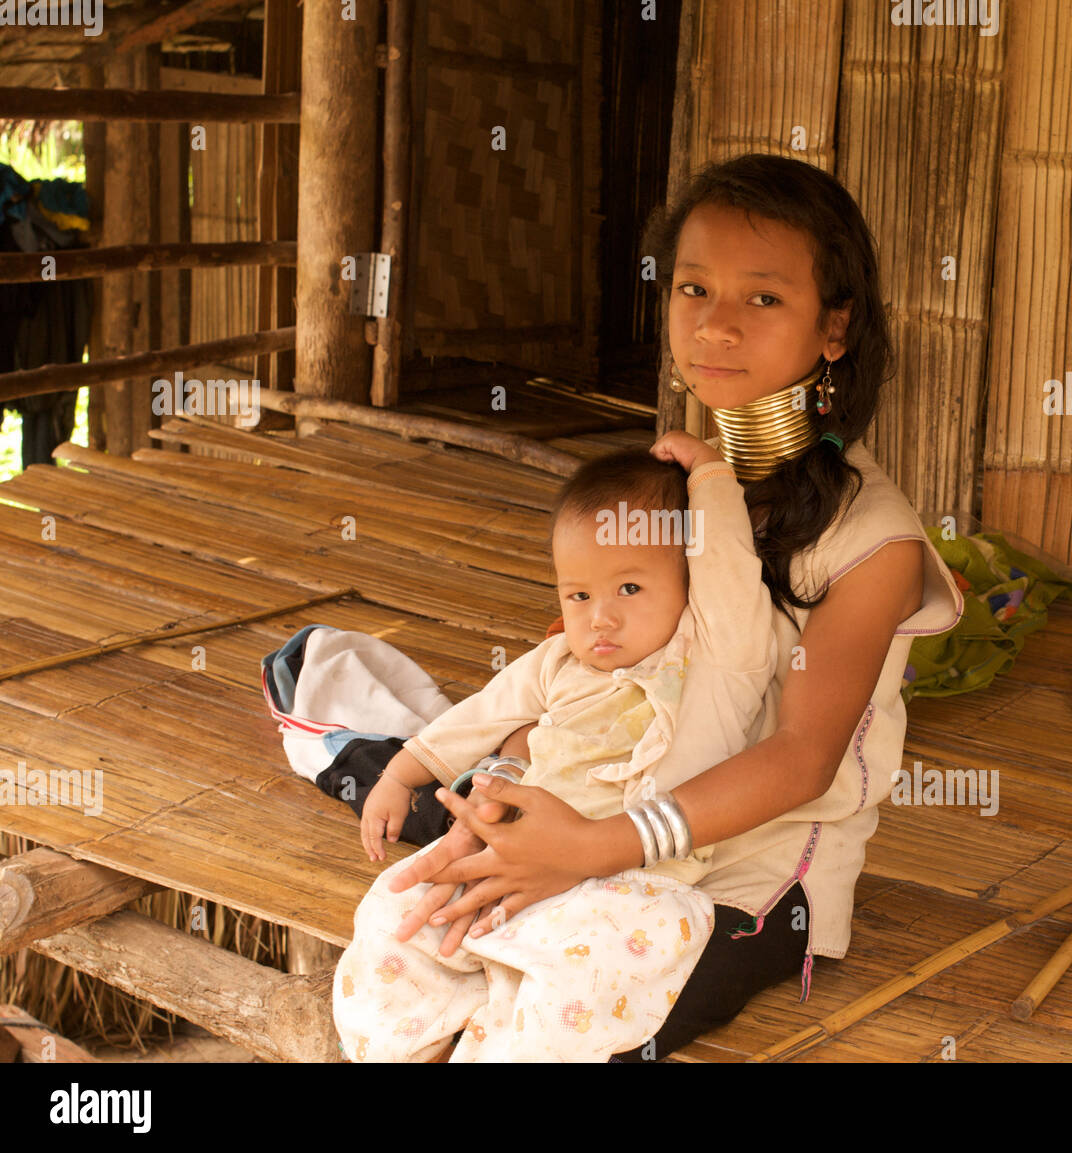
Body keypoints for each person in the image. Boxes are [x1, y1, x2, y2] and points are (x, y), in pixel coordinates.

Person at [364, 153, 964, 1062]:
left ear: (833, 326)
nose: (717, 324)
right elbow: (602, 646)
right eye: (693, 288)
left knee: (561, 1023)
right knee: (419, 939)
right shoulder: (676, 482)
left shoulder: (871, 542)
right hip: (603, 824)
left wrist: (592, 846)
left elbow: (801, 760)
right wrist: (519, 784)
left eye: (764, 299)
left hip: (750, 883)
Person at [333, 440, 783, 1061]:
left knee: (589, 974)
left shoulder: (718, 660)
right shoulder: (555, 663)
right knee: (393, 910)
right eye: (578, 596)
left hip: (628, 885)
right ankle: (404, 1048)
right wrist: (398, 775)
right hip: (513, 854)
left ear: (690, 576)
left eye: (629, 587)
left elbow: (730, 566)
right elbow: (476, 718)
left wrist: (708, 475)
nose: (600, 618)